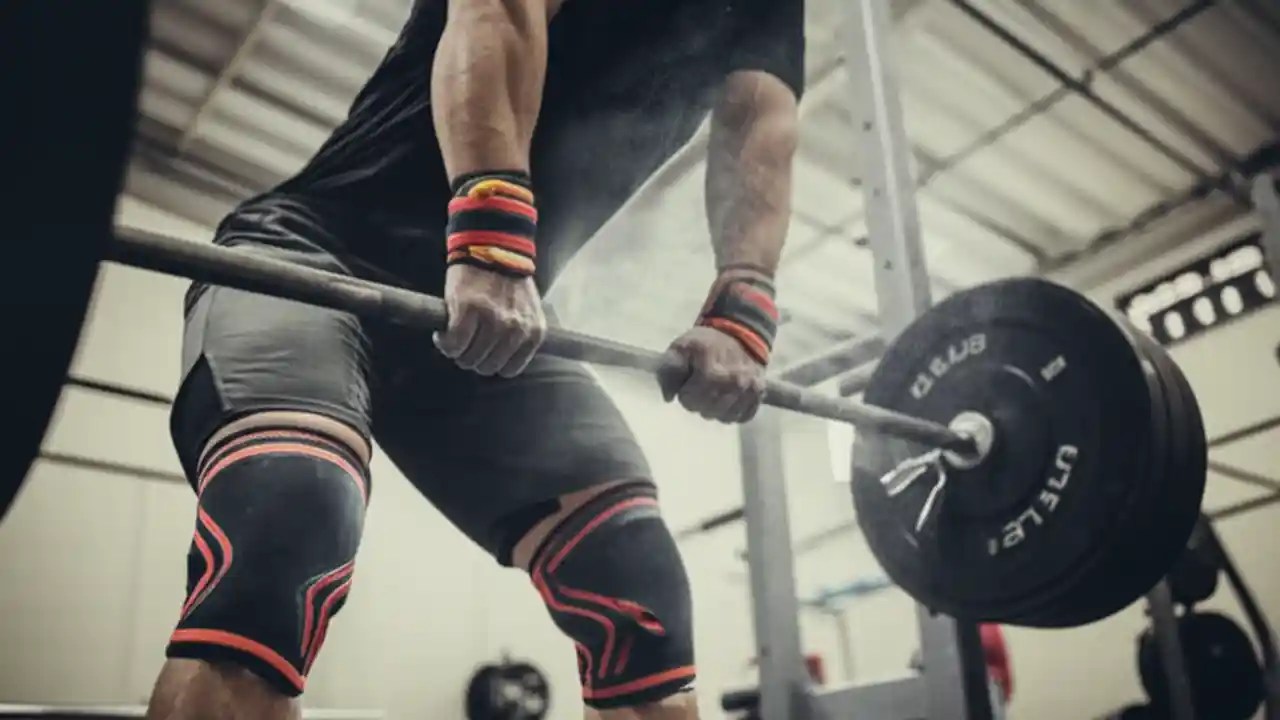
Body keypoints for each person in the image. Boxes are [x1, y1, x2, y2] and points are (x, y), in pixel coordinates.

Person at [145, 0, 804, 718]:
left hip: (492, 333)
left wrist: (742, 309)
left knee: (636, 589)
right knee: (290, 511)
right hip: (316, 255)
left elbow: (757, 121)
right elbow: (500, 11)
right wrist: (490, 230)